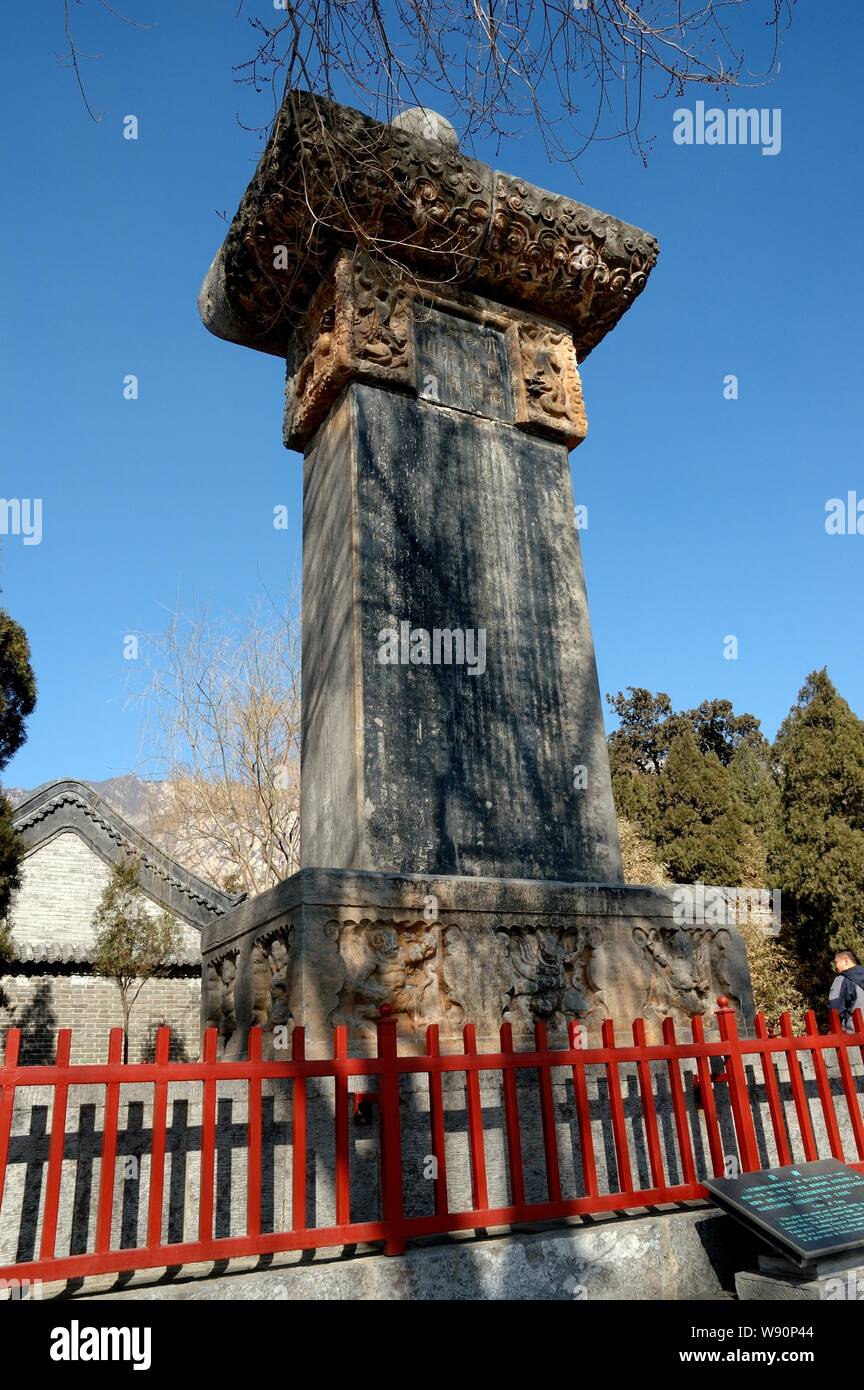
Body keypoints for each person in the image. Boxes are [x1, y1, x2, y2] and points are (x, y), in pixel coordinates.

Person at [828, 949, 864, 1031]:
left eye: (836, 962)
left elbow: (835, 1009)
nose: (835, 968)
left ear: (846, 961)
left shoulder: (842, 979)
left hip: (853, 1036)